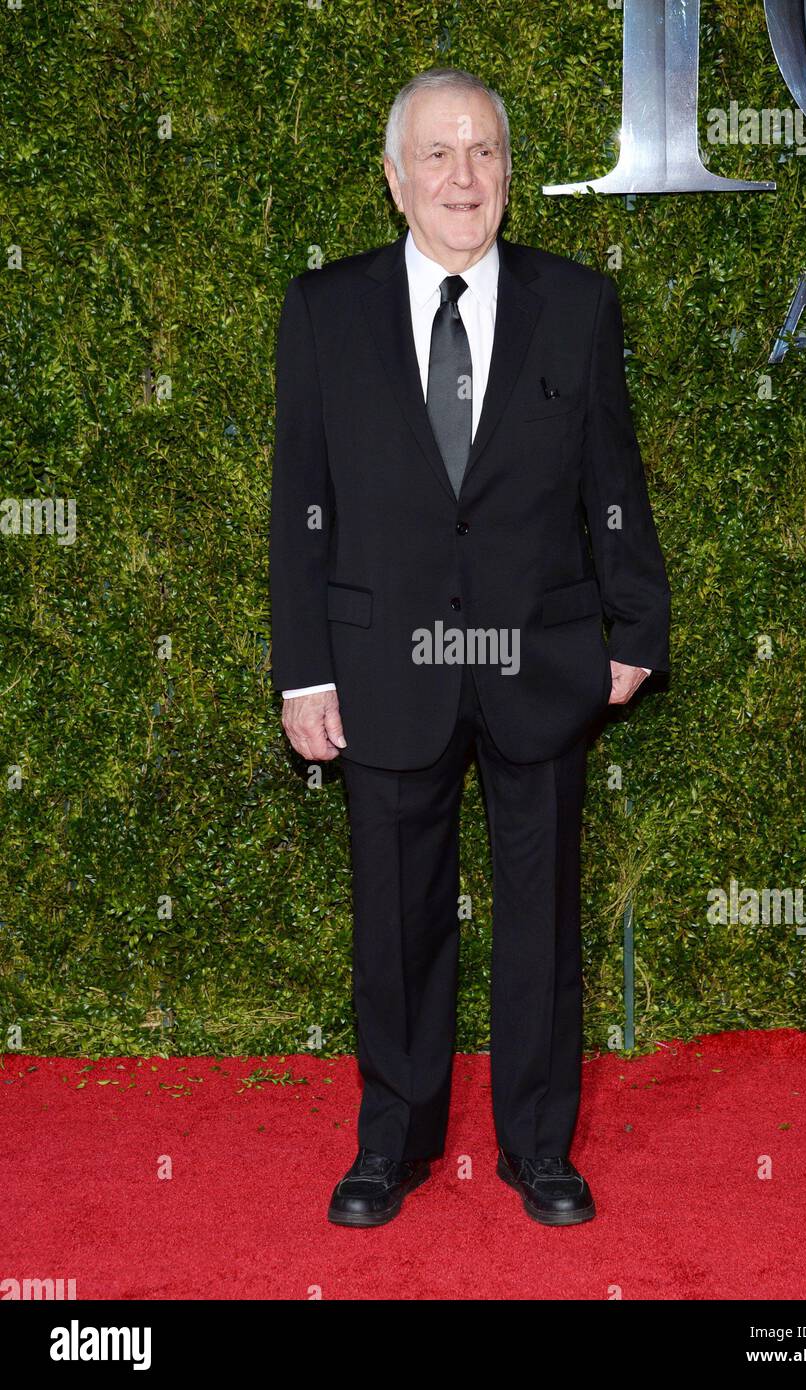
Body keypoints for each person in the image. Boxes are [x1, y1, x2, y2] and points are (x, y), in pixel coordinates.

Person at [269, 66, 670, 1227]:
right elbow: (303, 505)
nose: (463, 176)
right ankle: (389, 1144)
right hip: (381, 663)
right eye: (437, 155)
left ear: (507, 174)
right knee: (394, 920)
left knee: (540, 920)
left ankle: (539, 1148)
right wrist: (304, 666)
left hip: (537, 662)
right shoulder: (322, 310)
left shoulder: (575, 304)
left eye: (484, 152)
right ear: (394, 178)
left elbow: (612, 484)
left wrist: (633, 624)